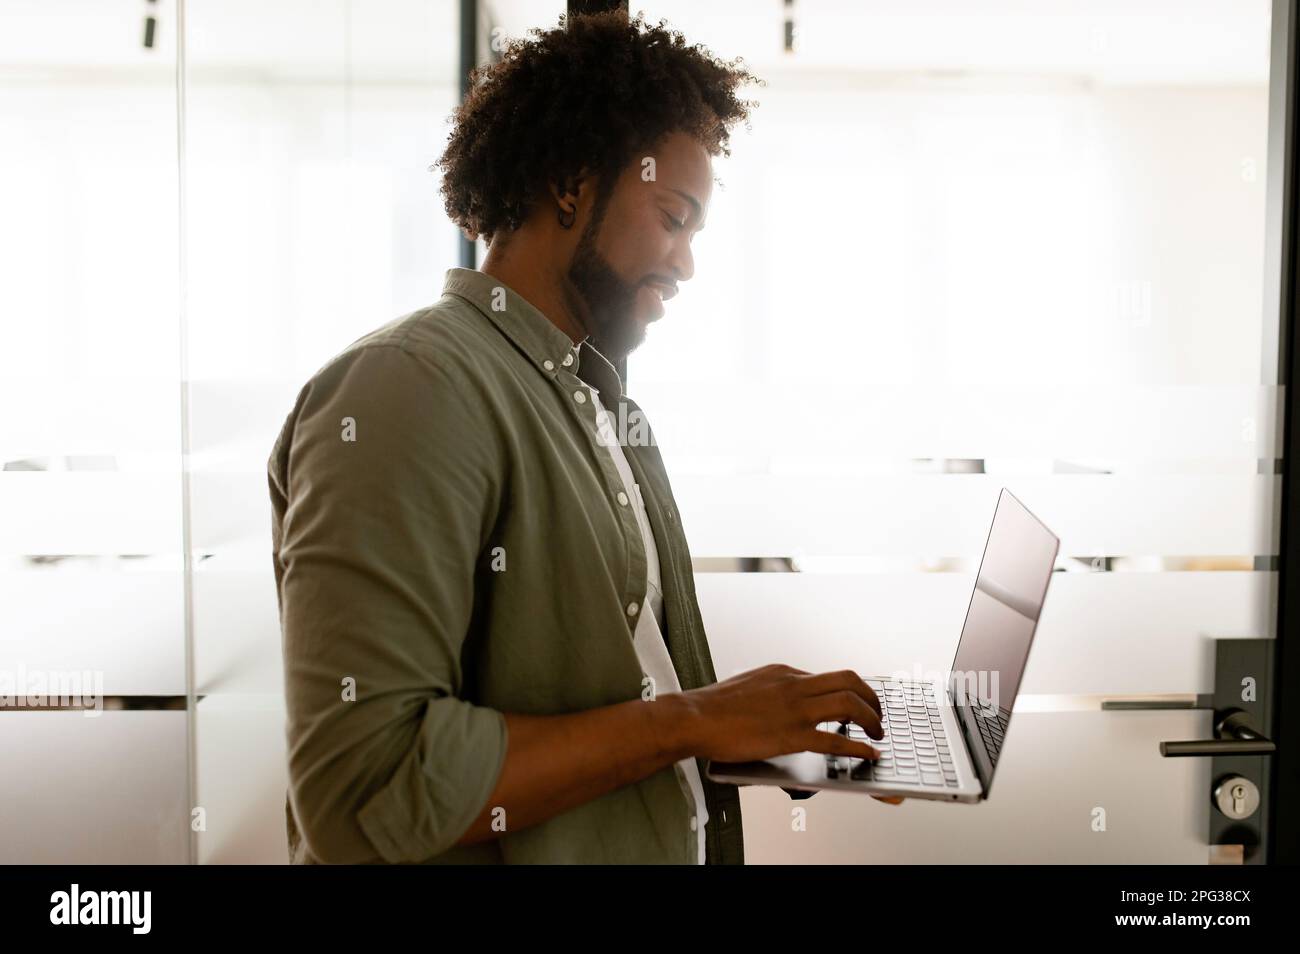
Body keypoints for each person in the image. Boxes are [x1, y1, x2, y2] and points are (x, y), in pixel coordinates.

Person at [268, 10, 897, 867]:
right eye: (673, 216)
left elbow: (602, 693)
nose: (684, 263)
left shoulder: (598, 401)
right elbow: (364, 792)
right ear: (570, 182)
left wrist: (752, 731)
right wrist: (699, 719)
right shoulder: (408, 386)